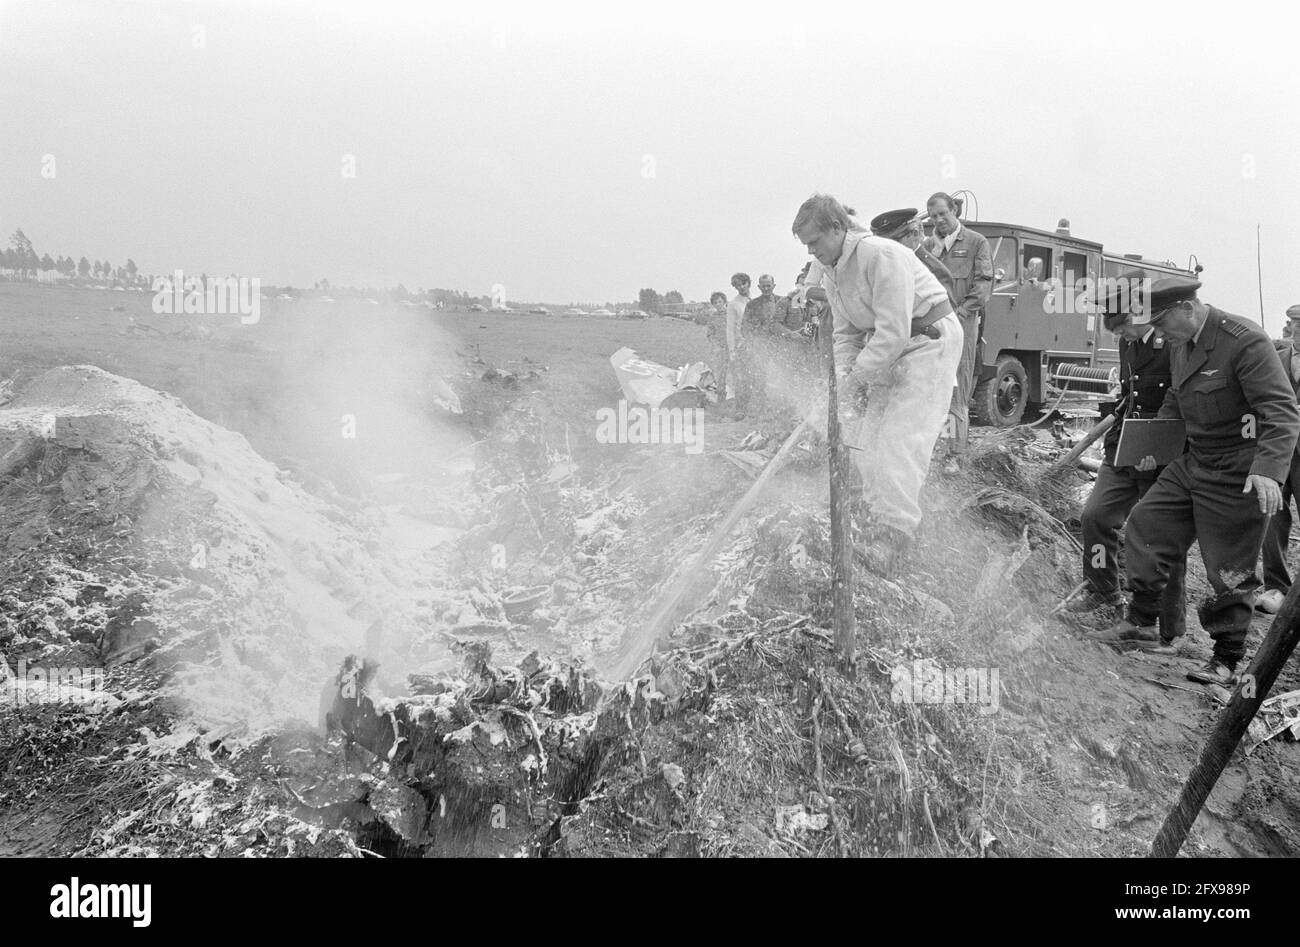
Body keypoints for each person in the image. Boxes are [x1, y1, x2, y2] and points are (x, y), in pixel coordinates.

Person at [1090, 278, 1300, 686]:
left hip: (1239, 471)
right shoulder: (1180, 342)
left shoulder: (1245, 341)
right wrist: (1155, 443)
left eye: (1162, 324)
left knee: (1229, 566)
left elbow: (1280, 409)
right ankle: (1142, 621)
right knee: (1147, 522)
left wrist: (1268, 470)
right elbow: (1177, 401)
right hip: (1193, 461)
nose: (1160, 334)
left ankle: (1226, 658)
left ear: (1186, 308)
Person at [793, 193, 963, 576]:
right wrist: (842, 381)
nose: (812, 251)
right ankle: (875, 515)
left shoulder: (879, 255)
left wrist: (856, 378)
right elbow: (845, 334)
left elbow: (894, 331)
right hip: (890, 349)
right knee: (869, 439)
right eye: (807, 246)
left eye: (815, 242)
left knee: (901, 440)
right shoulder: (834, 268)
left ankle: (895, 533)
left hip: (927, 342)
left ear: (837, 228)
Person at [1065, 274, 1186, 648]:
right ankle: (1103, 591)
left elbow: (1180, 403)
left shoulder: (1173, 345)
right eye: (1119, 334)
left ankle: (1168, 628)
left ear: (1140, 316)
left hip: (1161, 453)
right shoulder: (1127, 342)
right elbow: (1129, 394)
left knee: (1160, 537)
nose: (1123, 340)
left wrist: (1161, 451)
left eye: (1126, 332)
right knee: (1096, 516)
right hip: (1125, 447)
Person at [926, 192, 993, 467]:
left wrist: (960, 314)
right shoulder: (927, 246)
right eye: (933, 216)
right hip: (930, 328)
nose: (939, 220)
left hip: (962, 326)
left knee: (957, 391)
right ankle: (930, 449)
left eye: (943, 213)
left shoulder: (977, 243)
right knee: (929, 388)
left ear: (955, 211)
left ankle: (954, 455)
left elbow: (983, 286)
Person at [1255, 302, 1300, 613]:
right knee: (1272, 517)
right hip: (1279, 451)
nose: (1294, 328)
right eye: (1293, 323)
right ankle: (1277, 587)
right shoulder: (1277, 357)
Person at [726, 272, 752, 415]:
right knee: (742, 378)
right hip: (741, 345)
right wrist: (732, 350)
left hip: (755, 344)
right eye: (738, 285)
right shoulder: (733, 304)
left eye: (743, 283)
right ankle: (740, 409)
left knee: (756, 377)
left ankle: (754, 409)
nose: (741, 287)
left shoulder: (753, 301)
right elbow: (730, 329)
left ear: (749, 283)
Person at [705, 291, 731, 401]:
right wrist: (715, 344)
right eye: (715, 302)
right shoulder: (713, 317)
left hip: (733, 347)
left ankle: (739, 394)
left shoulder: (731, 314)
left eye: (720, 301)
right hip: (720, 348)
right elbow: (710, 334)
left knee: (736, 371)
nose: (718, 304)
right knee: (721, 372)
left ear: (724, 302)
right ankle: (721, 394)